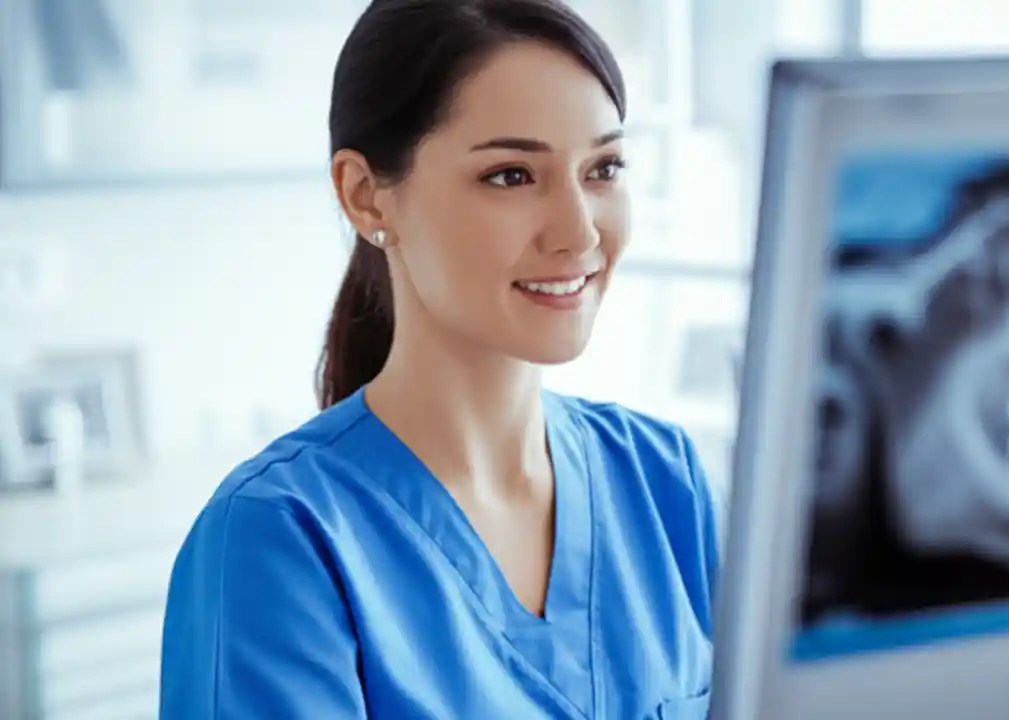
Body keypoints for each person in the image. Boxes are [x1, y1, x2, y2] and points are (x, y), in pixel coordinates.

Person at [158, 1, 719, 717]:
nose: (579, 233)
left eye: (603, 168)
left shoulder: (669, 486)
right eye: (512, 175)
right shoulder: (277, 539)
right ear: (366, 198)